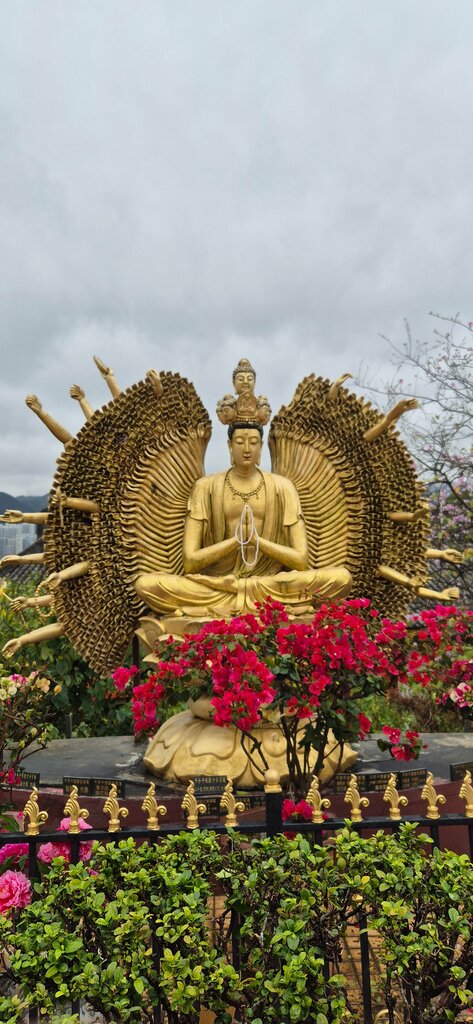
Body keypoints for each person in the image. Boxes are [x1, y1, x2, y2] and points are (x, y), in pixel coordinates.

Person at [135, 423, 352, 616]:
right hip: (217, 585)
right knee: (147, 585)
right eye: (239, 442)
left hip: (270, 584)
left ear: (261, 448)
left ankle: (228, 607)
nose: (246, 448)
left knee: (341, 578)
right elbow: (190, 562)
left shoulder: (283, 488)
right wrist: (234, 542)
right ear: (230, 446)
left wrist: (257, 542)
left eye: (253, 442)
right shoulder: (205, 487)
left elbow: (301, 560)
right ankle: (256, 605)